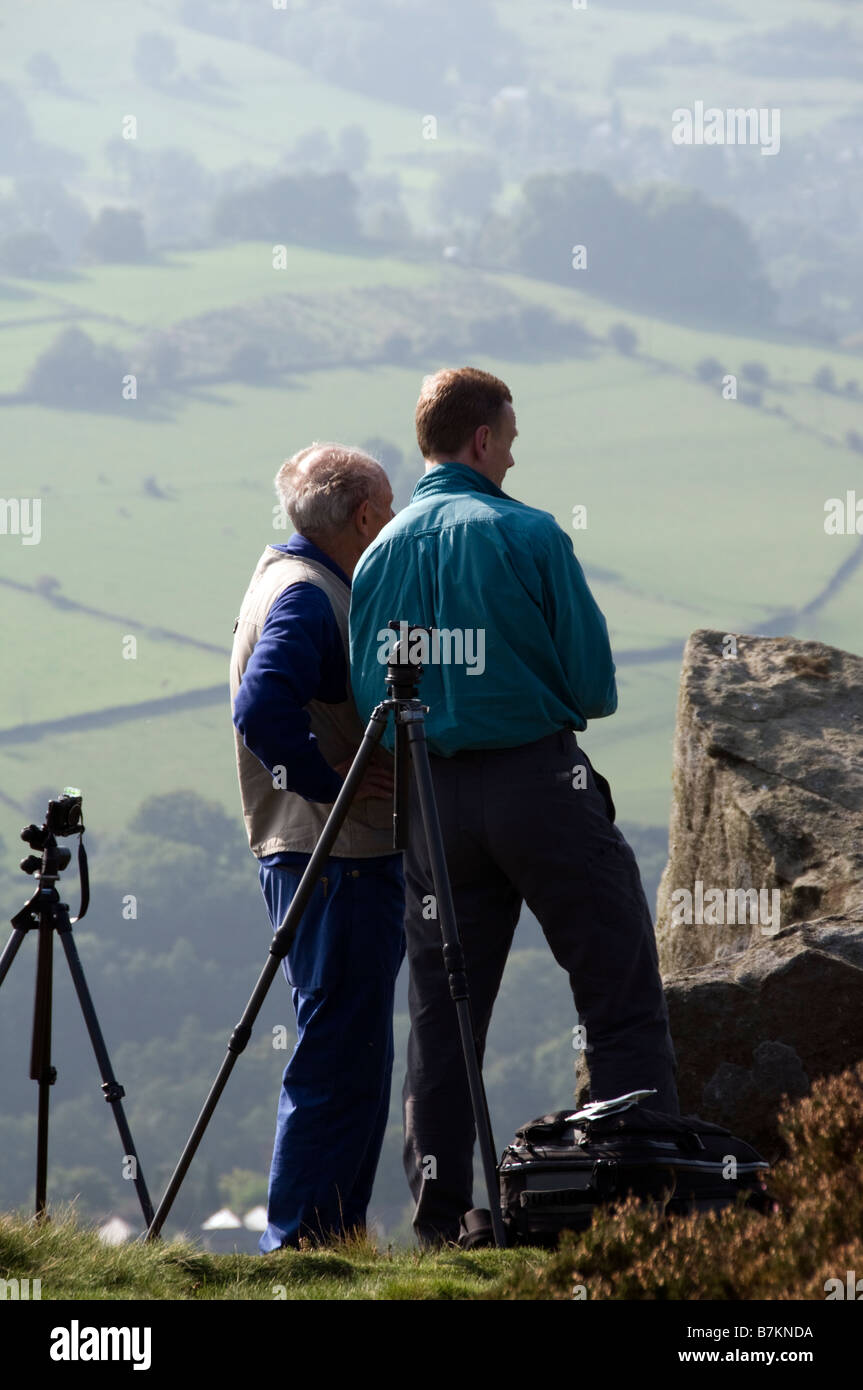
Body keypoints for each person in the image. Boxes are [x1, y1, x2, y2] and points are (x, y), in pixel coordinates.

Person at [349, 367, 680, 1246]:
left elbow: (369, 697)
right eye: (512, 438)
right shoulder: (529, 536)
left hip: (432, 798)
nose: (513, 454)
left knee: (442, 1015)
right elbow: (594, 686)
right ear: (483, 440)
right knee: (614, 988)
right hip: (541, 785)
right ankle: (637, 1201)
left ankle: (439, 1225)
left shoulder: (380, 553)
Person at [230, 442, 405, 1251]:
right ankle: (304, 1242)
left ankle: (327, 1237)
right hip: (334, 856)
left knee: (342, 1045)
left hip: (308, 851)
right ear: (364, 516)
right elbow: (264, 704)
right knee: (342, 1051)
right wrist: (328, 782)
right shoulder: (309, 594)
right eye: (389, 507)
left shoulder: (284, 575)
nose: (396, 521)